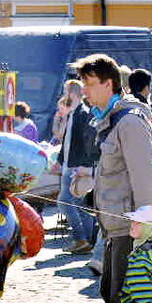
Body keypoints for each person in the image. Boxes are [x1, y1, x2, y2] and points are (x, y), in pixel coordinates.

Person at [73, 53, 152, 303]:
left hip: (131, 229)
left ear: (108, 83)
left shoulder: (129, 121)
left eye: (89, 84)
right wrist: (91, 182)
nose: (84, 91)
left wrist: (147, 231)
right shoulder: (110, 120)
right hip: (113, 227)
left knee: (124, 301)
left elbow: (146, 178)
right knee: (112, 297)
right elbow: (117, 173)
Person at [57, 80, 99, 254]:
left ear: (71, 93)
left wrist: (83, 167)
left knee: (68, 202)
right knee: (75, 203)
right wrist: (60, 160)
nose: (64, 95)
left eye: (65, 91)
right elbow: (67, 141)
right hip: (70, 165)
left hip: (75, 167)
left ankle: (83, 238)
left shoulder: (82, 114)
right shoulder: (75, 113)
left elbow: (86, 143)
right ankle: (86, 239)